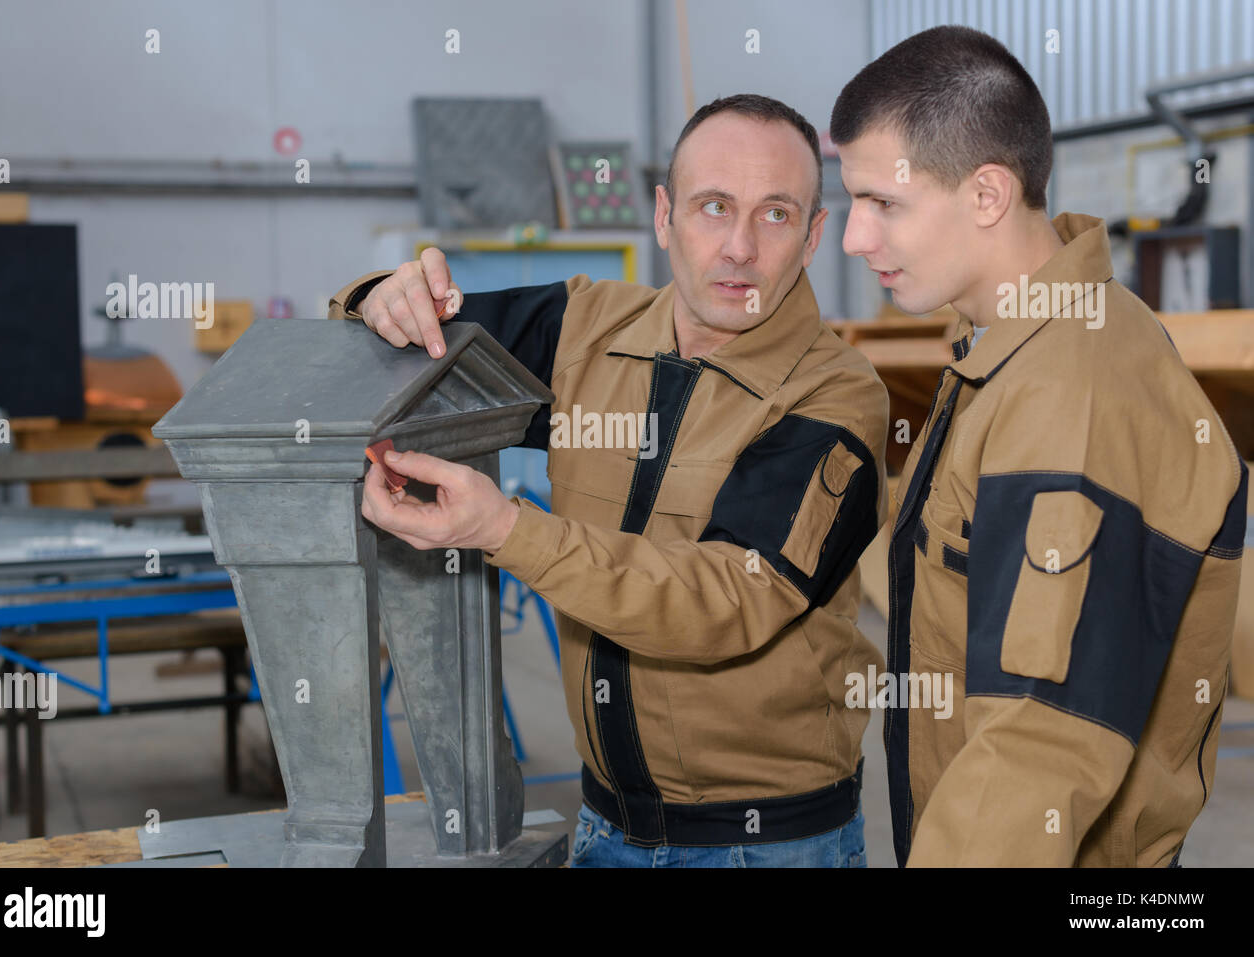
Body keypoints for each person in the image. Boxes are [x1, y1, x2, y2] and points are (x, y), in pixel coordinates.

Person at [329, 94, 889, 867]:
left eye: (776, 214)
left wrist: (504, 529)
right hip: (603, 829)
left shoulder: (835, 395)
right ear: (663, 215)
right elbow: (411, 341)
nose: (738, 247)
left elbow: (730, 598)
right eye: (713, 206)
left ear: (814, 234)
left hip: (768, 844)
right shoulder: (583, 331)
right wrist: (376, 298)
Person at [831, 25, 1248, 866]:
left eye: (884, 204)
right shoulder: (1005, 345)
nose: (854, 239)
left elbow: (1041, 744)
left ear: (987, 194)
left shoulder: (1070, 392)